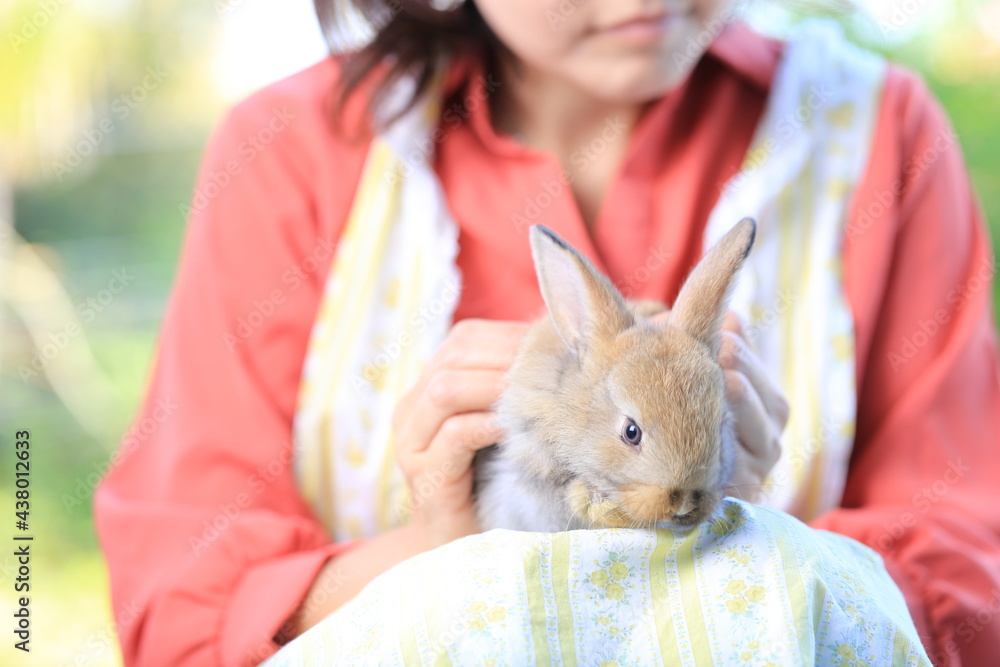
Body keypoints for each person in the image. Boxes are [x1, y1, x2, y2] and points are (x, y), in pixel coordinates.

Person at [94, 0, 1000, 665]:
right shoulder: (290, 152)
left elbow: (970, 574)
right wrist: (436, 548)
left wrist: (754, 541)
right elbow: (179, 606)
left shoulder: (879, 137)